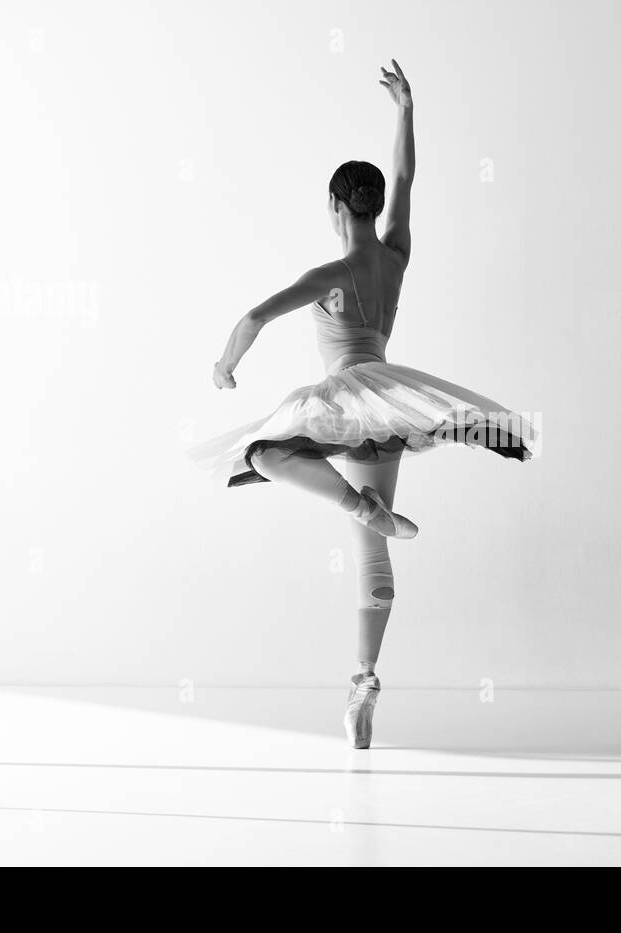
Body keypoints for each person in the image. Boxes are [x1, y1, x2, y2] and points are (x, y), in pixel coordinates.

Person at [188, 60, 536, 748]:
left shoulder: (331, 274)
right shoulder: (395, 254)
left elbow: (255, 317)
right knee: (373, 559)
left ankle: (358, 505)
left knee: (263, 449)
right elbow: (406, 178)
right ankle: (364, 679)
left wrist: (225, 365)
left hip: (345, 400)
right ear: (371, 209)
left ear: (336, 209)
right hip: (389, 406)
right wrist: (406, 111)